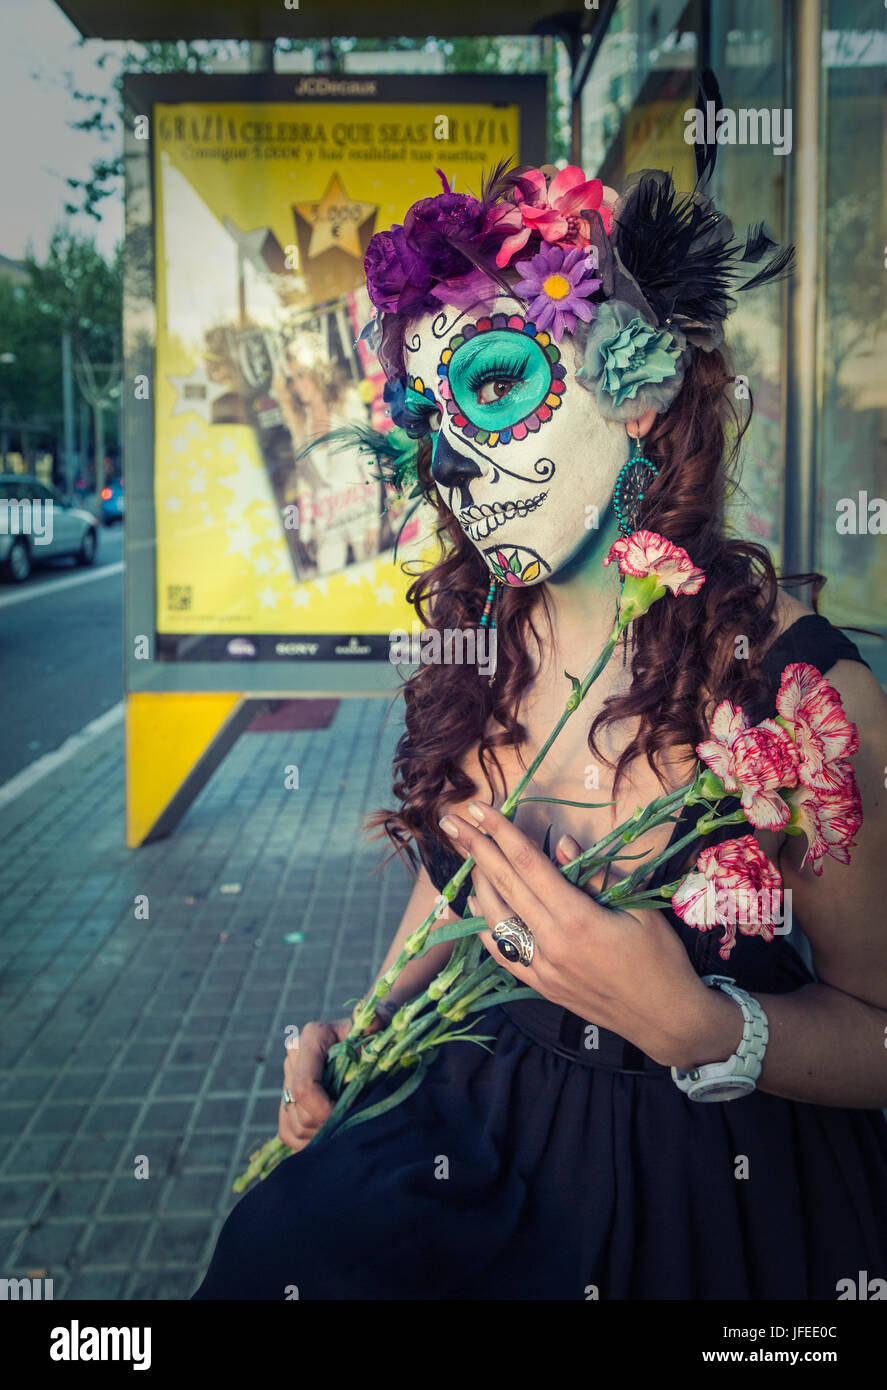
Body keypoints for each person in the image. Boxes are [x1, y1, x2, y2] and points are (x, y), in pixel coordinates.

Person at [192, 164, 887, 1300]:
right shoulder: (479, 643)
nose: (452, 461)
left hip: (710, 1197)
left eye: (495, 382)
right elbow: (464, 878)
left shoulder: (798, 695)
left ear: (638, 387)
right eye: (426, 419)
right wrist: (365, 1029)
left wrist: (706, 1027)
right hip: (479, 1117)